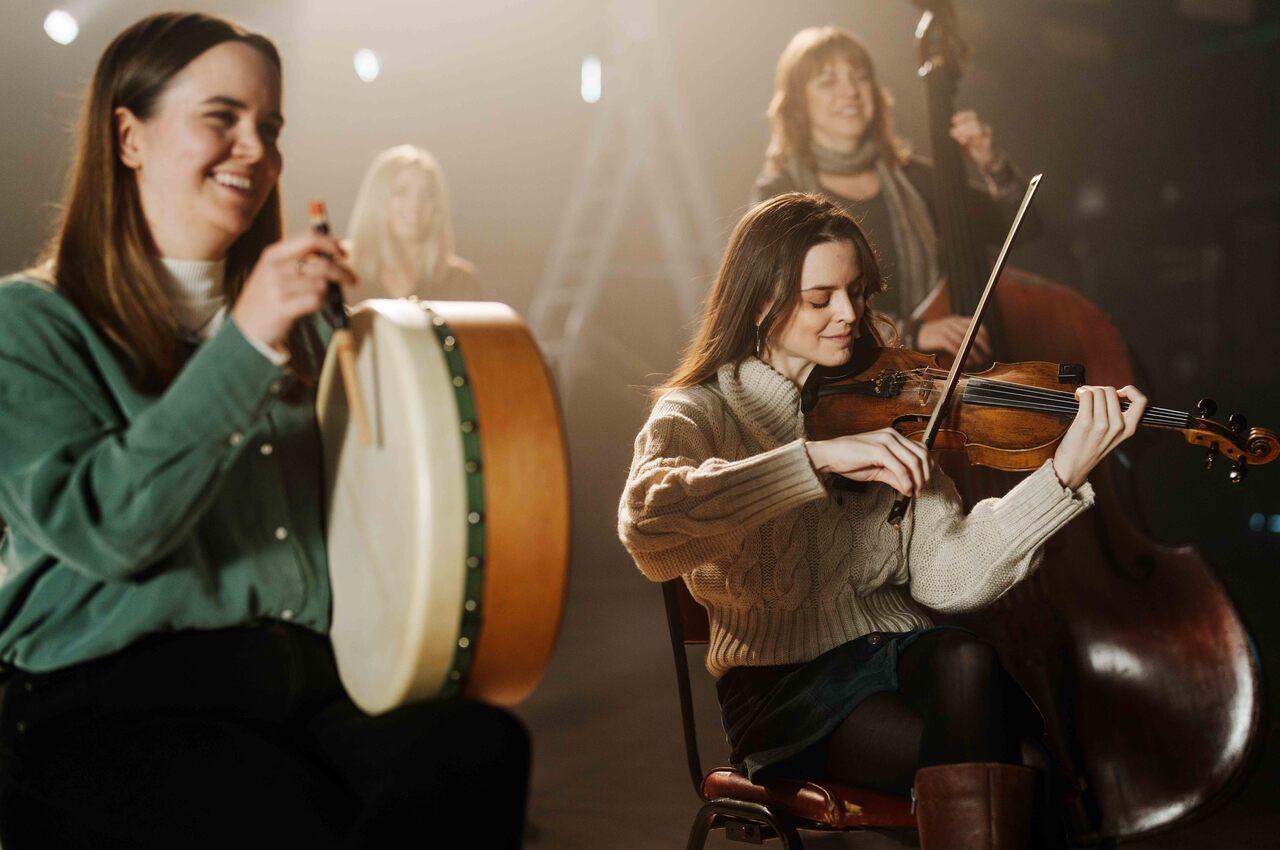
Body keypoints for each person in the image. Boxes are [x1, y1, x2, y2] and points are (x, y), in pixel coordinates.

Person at [0, 13, 527, 849]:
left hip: (307, 679)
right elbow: (106, 531)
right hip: (108, 696)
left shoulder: (306, 320)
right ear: (128, 137)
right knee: (289, 818)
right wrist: (244, 342)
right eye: (222, 117)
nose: (256, 148)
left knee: (475, 750)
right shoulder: (29, 323)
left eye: (269, 127)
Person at [617, 194, 1146, 848]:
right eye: (820, 298)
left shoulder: (890, 398)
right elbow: (649, 526)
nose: (849, 315)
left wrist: (1059, 477)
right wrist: (810, 460)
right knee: (1030, 781)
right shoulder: (699, 412)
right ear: (759, 302)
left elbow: (949, 579)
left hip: (902, 661)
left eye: (858, 294)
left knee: (967, 658)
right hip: (787, 694)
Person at [753, 25, 1036, 363]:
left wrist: (990, 162)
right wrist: (913, 331)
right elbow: (778, 304)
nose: (850, 92)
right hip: (849, 376)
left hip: (937, 373)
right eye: (828, 82)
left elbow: (1023, 227)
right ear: (798, 103)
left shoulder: (917, 178)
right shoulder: (778, 194)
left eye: (860, 78)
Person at [346, 144, 481, 302]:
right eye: (401, 192)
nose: (415, 205)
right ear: (378, 200)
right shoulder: (344, 273)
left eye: (426, 194)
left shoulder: (461, 282)